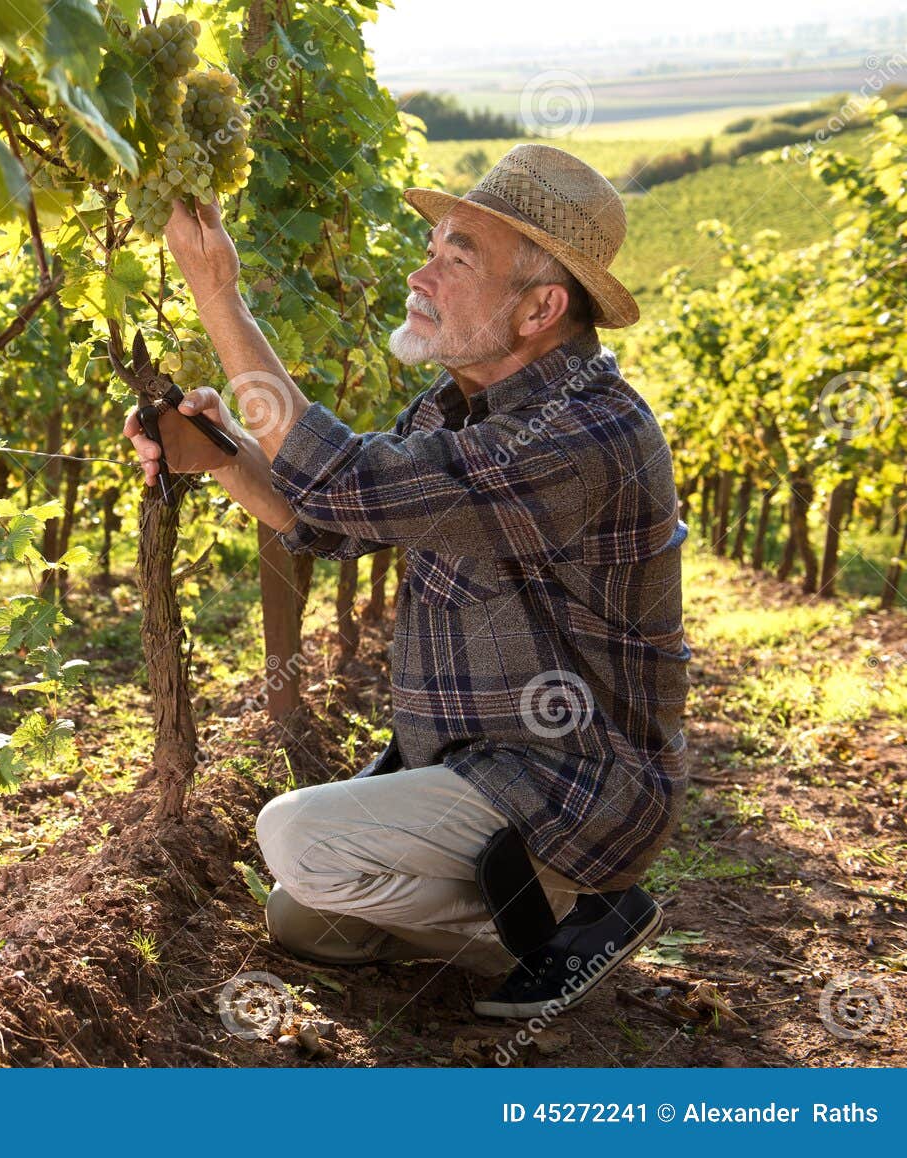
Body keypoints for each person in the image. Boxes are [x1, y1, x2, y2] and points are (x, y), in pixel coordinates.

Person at [123, 144, 689, 1018]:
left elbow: (347, 479)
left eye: (457, 258)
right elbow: (334, 522)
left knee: (293, 834)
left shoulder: (586, 434)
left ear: (542, 307)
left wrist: (216, 293)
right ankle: (531, 925)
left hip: (568, 783)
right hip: (471, 767)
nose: (422, 273)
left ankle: (582, 907)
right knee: (305, 918)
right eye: (435, 247)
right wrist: (226, 455)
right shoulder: (452, 405)